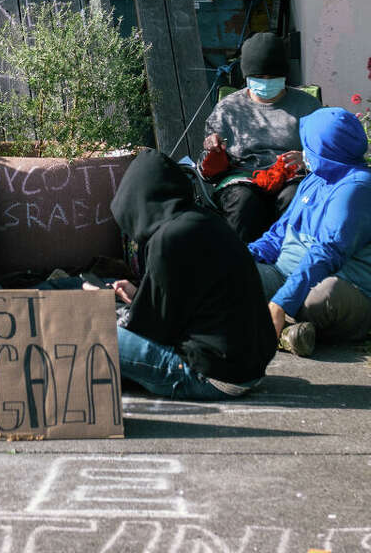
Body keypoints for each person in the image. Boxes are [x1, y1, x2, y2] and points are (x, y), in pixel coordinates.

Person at [103, 148, 275, 400]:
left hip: (210, 376)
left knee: (91, 335)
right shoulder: (203, 221)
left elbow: (154, 329)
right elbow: (190, 302)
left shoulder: (168, 238)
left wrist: (102, 308)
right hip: (248, 370)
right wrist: (141, 296)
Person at [247, 107, 371, 356]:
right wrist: (241, 257)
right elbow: (277, 235)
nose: (303, 151)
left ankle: (273, 320)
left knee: (323, 296)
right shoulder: (314, 179)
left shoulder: (356, 189)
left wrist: (283, 300)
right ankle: (287, 331)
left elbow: (326, 253)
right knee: (235, 274)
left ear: (325, 148)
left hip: (346, 289)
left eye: (308, 144)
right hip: (287, 275)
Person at [200, 32, 323, 242]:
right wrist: (213, 153)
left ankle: (292, 259)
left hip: (292, 177)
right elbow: (208, 174)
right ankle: (245, 260)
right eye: (259, 77)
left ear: (284, 76)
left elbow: (329, 152)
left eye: (272, 78)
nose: (266, 83)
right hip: (242, 178)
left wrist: (306, 159)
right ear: (247, 76)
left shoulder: (307, 106)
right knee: (244, 203)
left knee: (295, 199)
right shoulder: (227, 109)